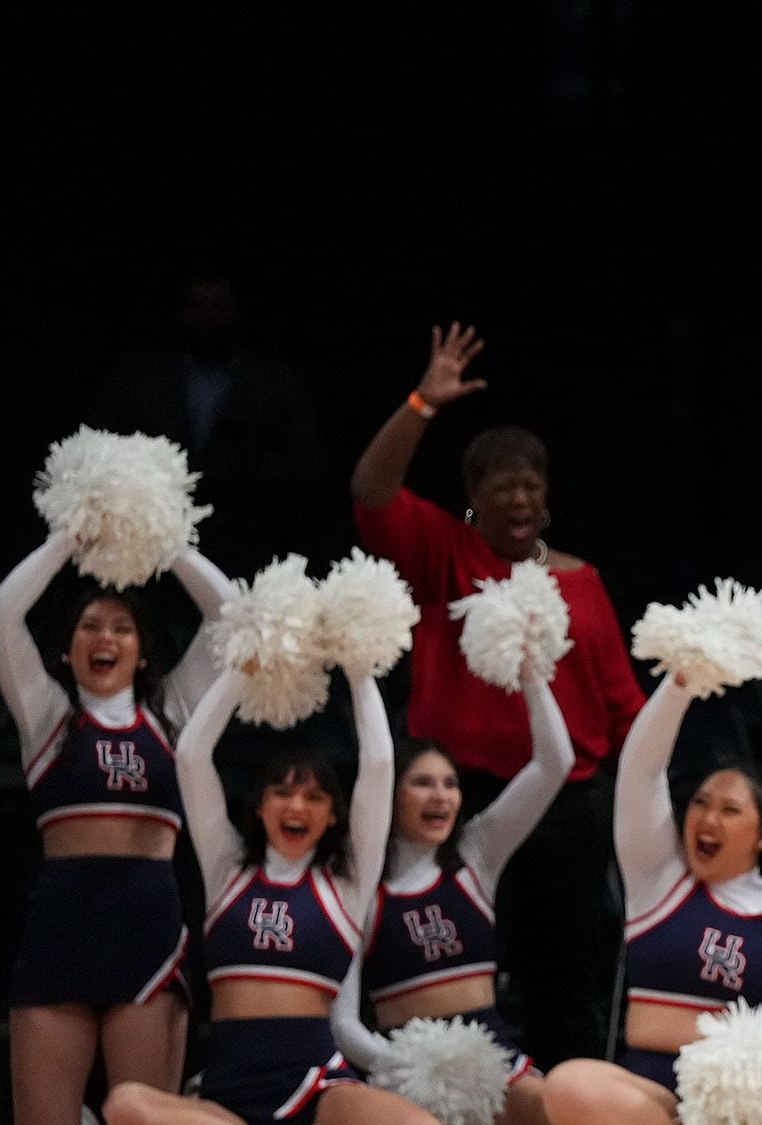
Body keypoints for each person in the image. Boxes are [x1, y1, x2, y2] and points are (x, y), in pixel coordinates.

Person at [349, 322, 647, 1067]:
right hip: (460, 801)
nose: (519, 497)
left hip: (567, 809)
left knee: (565, 985)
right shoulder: (444, 550)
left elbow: (623, 709)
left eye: (531, 484)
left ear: (546, 498)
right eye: (502, 485)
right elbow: (371, 492)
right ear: (474, 498)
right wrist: (422, 403)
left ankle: (565, 1101)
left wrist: (644, 808)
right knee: (457, 972)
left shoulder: (582, 582)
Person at [102, 667, 436, 1125]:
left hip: (316, 1083)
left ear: (333, 815)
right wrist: (244, 666)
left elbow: (379, 765)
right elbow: (192, 755)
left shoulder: (346, 883)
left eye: (314, 797)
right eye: (282, 792)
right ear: (259, 806)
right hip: (228, 1093)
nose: (297, 806)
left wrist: (359, 670)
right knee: (125, 1104)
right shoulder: (227, 869)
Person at [0, 528, 231, 1125]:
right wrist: (70, 537)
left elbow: (230, 612)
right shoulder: (46, 715)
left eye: (123, 629)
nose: (105, 638)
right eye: (89, 626)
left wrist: (162, 538)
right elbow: (0, 617)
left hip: (147, 935)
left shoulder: (173, 714)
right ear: (67, 650)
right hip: (60, 932)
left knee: (142, 1116)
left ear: (143, 652)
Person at [540, 672, 762, 1125]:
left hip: (749, 1101)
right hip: (651, 1095)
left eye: (729, 810)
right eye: (701, 803)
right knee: (570, 1083)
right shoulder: (658, 879)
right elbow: (641, 771)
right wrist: (680, 683)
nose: (708, 818)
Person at [330, 668, 574, 1125]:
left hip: (492, 1061)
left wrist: (530, 673)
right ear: (391, 794)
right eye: (422, 783)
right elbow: (344, 1026)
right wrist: (412, 1070)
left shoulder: (477, 855)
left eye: (450, 783)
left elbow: (554, 764)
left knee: (556, 1108)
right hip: (405, 1072)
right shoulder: (358, 887)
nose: (440, 796)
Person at [87, 271, 332, 574]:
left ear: (238, 313)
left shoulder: (275, 382)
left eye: (219, 307)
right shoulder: (141, 377)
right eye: (196, 306)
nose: (207, 317)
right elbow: (97, 445)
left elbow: (309, 462)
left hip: (247, 541)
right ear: (180, 311)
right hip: (152, 544)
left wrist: (246, 468)